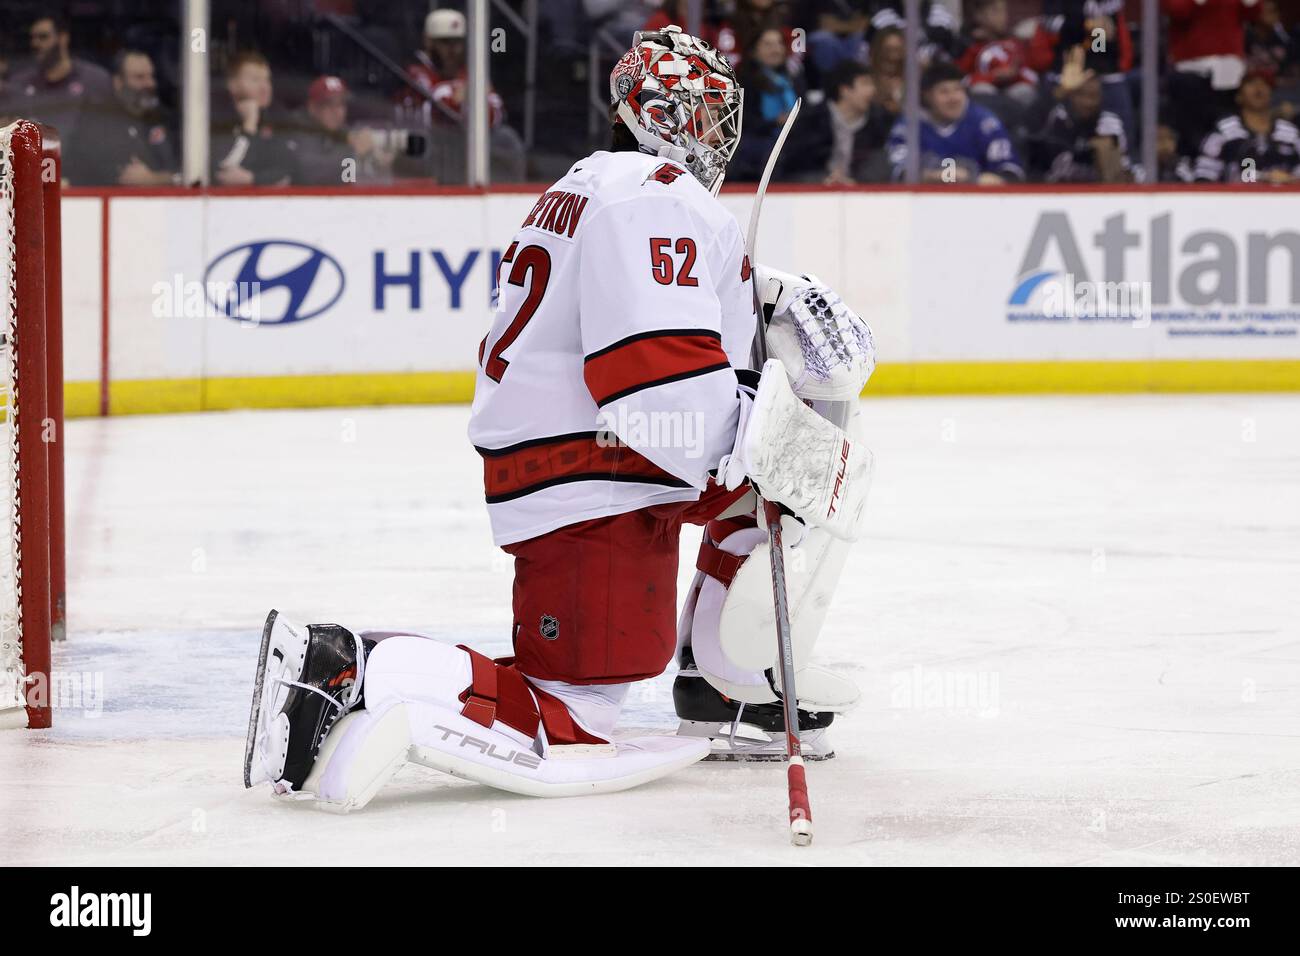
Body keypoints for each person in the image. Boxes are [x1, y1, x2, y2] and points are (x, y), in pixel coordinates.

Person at [244, 25, 877, 809]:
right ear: (656, 113)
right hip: (600, 471)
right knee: (578, 710)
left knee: (777, 475)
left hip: (581, 461)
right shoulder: (655, 197)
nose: (718, 136)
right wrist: (768, 443)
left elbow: (644, 318)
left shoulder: (599, 185)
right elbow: (653, 374)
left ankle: (733, 684)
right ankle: (348, 667)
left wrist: (775, 310)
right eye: (705, 115)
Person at [888, 60, 1024, 183]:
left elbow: (1009, 174)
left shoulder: (984, 123)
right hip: (924, 203)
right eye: (944, 92)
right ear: (927, 96)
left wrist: (973, 179)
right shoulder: (909, 125)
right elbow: (898, 172)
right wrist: (935, 177)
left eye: (958, 90)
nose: (953, 98)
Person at [63, 50, 178, 187]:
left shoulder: (166, 119)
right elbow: (75, 177)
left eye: (151, 76)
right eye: (140, 77)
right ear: (118, 82)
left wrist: (155, 180)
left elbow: (189, 173)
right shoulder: (96, 126)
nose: (150, 84)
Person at [4, 11, 112, 145]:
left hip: (83, 160)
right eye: (32, 38)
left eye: (43, 37)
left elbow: (109, 130)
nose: (35, 43)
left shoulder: (94, 79)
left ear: (63, 38)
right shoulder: (19, 83)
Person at [783, 60, 891, 183]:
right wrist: (822, 180)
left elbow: (880, 167)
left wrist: (856, 183)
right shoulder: (810, 121)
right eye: (865, 83)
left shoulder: (879, 124)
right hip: (813, 194)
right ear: (845, 90)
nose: (872, 90)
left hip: (860, 196)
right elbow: (791, 167)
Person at [1194, 70, 1300, 183]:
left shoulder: (1289, 131)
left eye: (1264, 84)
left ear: (1271, 94)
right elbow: (1204, 172)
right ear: (1239, 96)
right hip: (1237, 198)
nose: (1258, 89)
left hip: (1284, 197)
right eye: (1251, 84)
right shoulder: (1226, 129)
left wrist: (1290, 179)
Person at [211, 51, 298, 186]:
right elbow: (224, 171)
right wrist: (249, 125)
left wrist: (253, 179)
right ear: (232, 85)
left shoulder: (278, 116)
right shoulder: (217, 118)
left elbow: (290, 170)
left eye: (267, 80)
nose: (265, 87)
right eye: (255, 80)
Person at [291, 76, 395, 186]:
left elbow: (351, 179)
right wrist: (354, 153)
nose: (337, 112)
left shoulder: (343, 132)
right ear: (312, 108)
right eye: (329, 104)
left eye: (341, 104)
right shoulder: (296, 129)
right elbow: (310, 174)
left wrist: (376, 161)